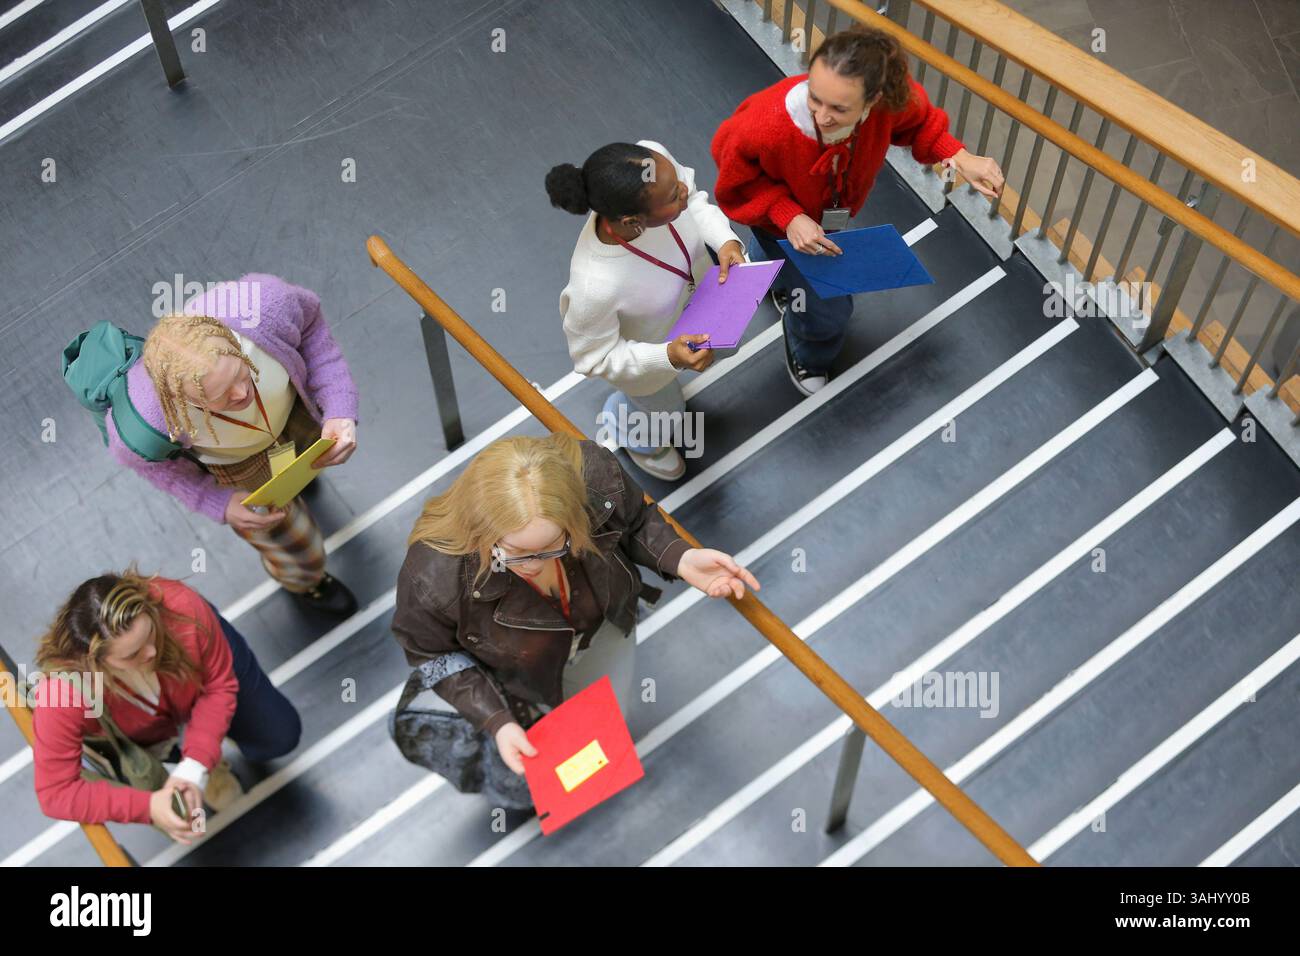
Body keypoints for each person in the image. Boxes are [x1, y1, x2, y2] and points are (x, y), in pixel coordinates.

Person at [391, 432, 759, 776]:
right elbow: (432, 655)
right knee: (553, 741)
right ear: (481, 531)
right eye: (516, 553)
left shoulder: (596, 478)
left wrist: (678, 556)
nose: (536, 566)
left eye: (554, 544)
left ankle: (593, 758)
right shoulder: (431, 576)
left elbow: (633, 522)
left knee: (610, 712)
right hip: (520, 674)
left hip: (603, 630)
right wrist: (497, 721)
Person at [711, 26, 1004, 396]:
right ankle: (808, 352)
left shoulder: (889, 103)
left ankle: (777, 273)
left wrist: (960, 157)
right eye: (814, 98)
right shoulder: (767, 123)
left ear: (874, 99)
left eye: (839, 109)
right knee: (830, 309)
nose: (820, 116)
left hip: (826, 220)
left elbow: (919, 122)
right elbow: (735, 181)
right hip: (779, 220)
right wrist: (788, 215)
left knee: (780, 257)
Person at [103, 274, 360, 616]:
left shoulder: (263, 305)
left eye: (242, 373)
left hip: (295, 415)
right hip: (238, 466)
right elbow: (148, 466)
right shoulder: (147, 420)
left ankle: (304, 478)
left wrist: (339, 406)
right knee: (294, 545)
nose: (242, 393)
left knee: (310, 458)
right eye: (221, 396)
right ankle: (308, 582)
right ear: (182, 400)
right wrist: (218, 502)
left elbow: (311, 324)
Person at [30, 570, 301, 844]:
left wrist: (193, 768)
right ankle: (206, 762)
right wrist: (148, 807)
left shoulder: (181, 606)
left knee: (279, 738)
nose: (151, 652)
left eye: (150, 633)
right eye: (132, 654)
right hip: (148, 729)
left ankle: (204, 753)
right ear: (94, 662)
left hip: (201, 674)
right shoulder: (61, 693)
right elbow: (56, 793)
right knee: (178, 816)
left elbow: (219, 685)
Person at [546, 141, 747, 481]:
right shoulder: (594, 286)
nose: (682, 188)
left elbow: (695, 199)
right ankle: (633, 433)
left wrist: (724, 240)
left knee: (731, 345)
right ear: (632, 221)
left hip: (703, 309)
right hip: (653, 360)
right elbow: (593, 358)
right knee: (666, 415)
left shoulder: (655, 162)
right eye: (672, 197)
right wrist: (668, 357)